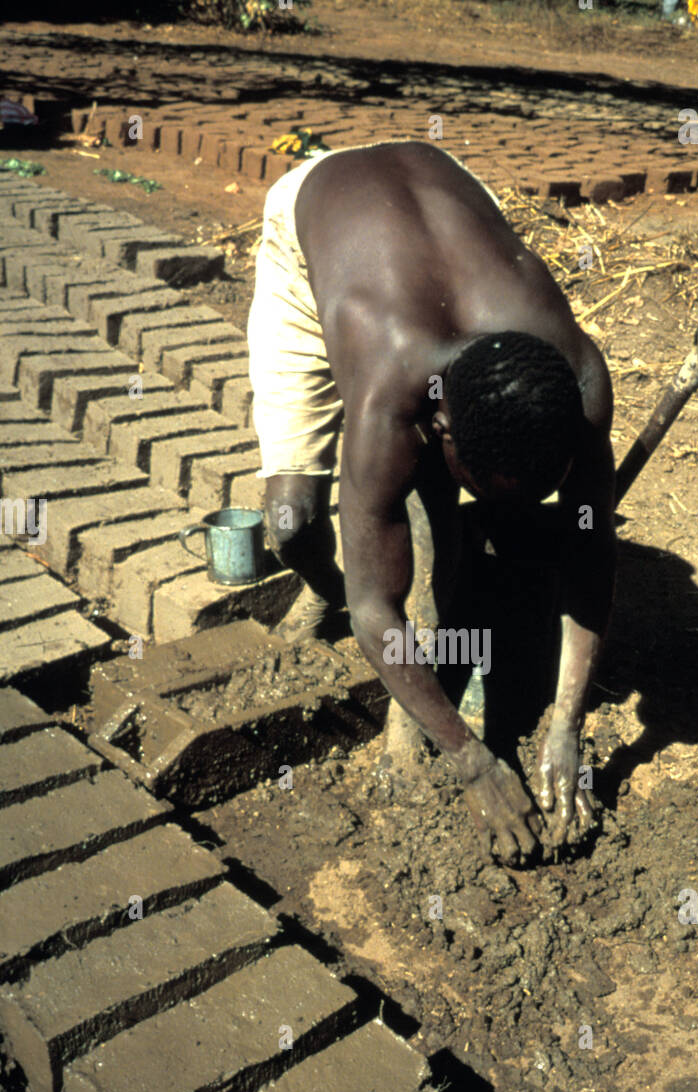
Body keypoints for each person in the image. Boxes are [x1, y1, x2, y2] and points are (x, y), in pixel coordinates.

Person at [247, 141, 616, 864]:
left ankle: (445, 567)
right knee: (291, 524)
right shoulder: (388, 396)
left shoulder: (578, 381)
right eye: (482, 483)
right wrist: (472, 760)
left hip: (449, 185)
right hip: (317, 219)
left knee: (444, 528)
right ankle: (324, 587)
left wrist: (566, 723)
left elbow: (591, 547)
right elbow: (377, 610)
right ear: (436, 427)